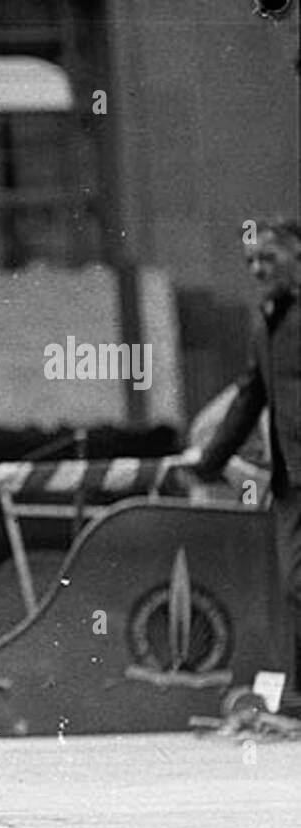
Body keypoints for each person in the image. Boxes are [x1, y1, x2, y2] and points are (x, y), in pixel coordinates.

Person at [182, 218, 301, 687]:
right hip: (290, 479)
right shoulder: (266, 326)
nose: (257, 269)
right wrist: (206, 464)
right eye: (250, 261)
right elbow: (248, 401)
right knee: (294, 585)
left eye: (267, 258)